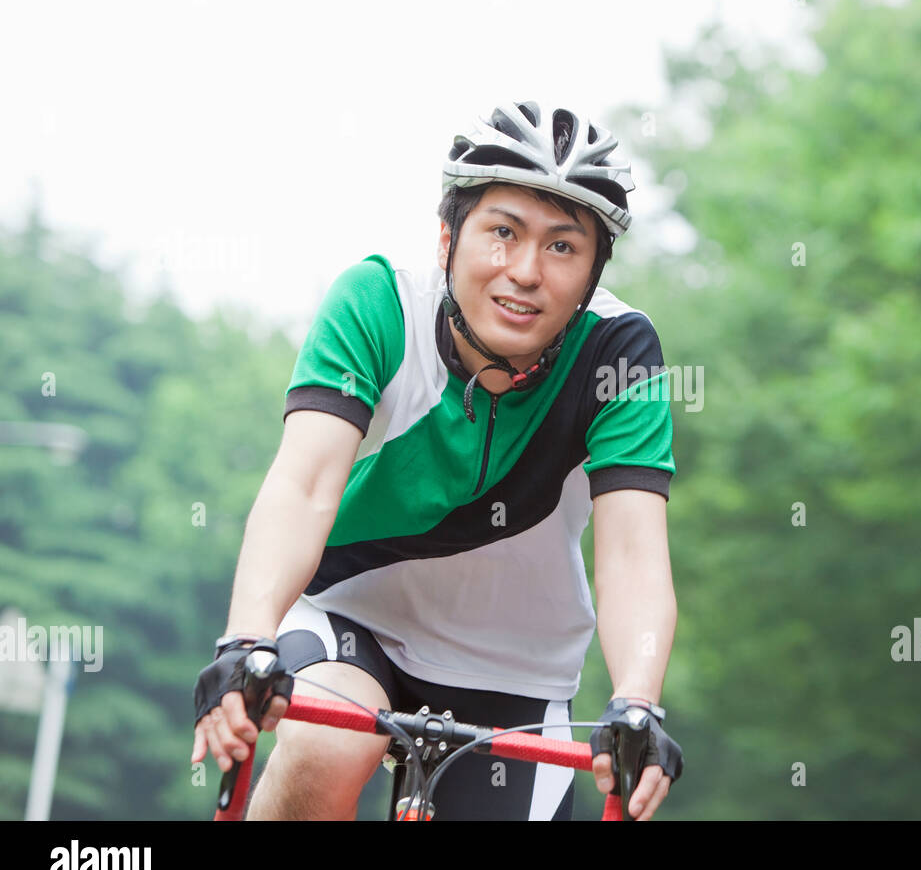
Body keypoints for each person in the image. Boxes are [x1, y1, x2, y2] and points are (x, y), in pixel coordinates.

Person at [192, 100, 683, 819]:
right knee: (332, 746)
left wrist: (637, 701)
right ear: (448, 236)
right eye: (502, 233)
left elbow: (634, 558)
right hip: (351, 617)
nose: (524, 271)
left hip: (518, 666)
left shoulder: (620, 352)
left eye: (562, 247)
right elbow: (304, 485)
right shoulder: (376, 301)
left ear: (591, 274)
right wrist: (245, 638)